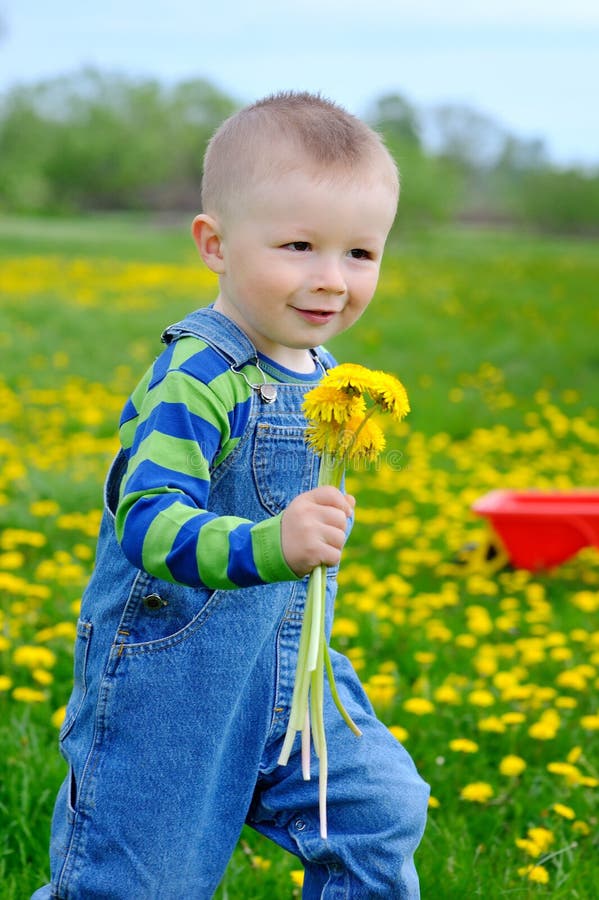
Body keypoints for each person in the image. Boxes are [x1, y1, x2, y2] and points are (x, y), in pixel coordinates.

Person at [33, 91, 429, 899]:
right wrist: (267, 544)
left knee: (378, 813)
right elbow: (146, 520)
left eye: (361, 253)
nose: (331, 280)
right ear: (214, 244)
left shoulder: (323, 377)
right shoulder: (199, 377)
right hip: (170, 685)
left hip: (295, 673)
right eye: (298, 245)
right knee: (141, 885)